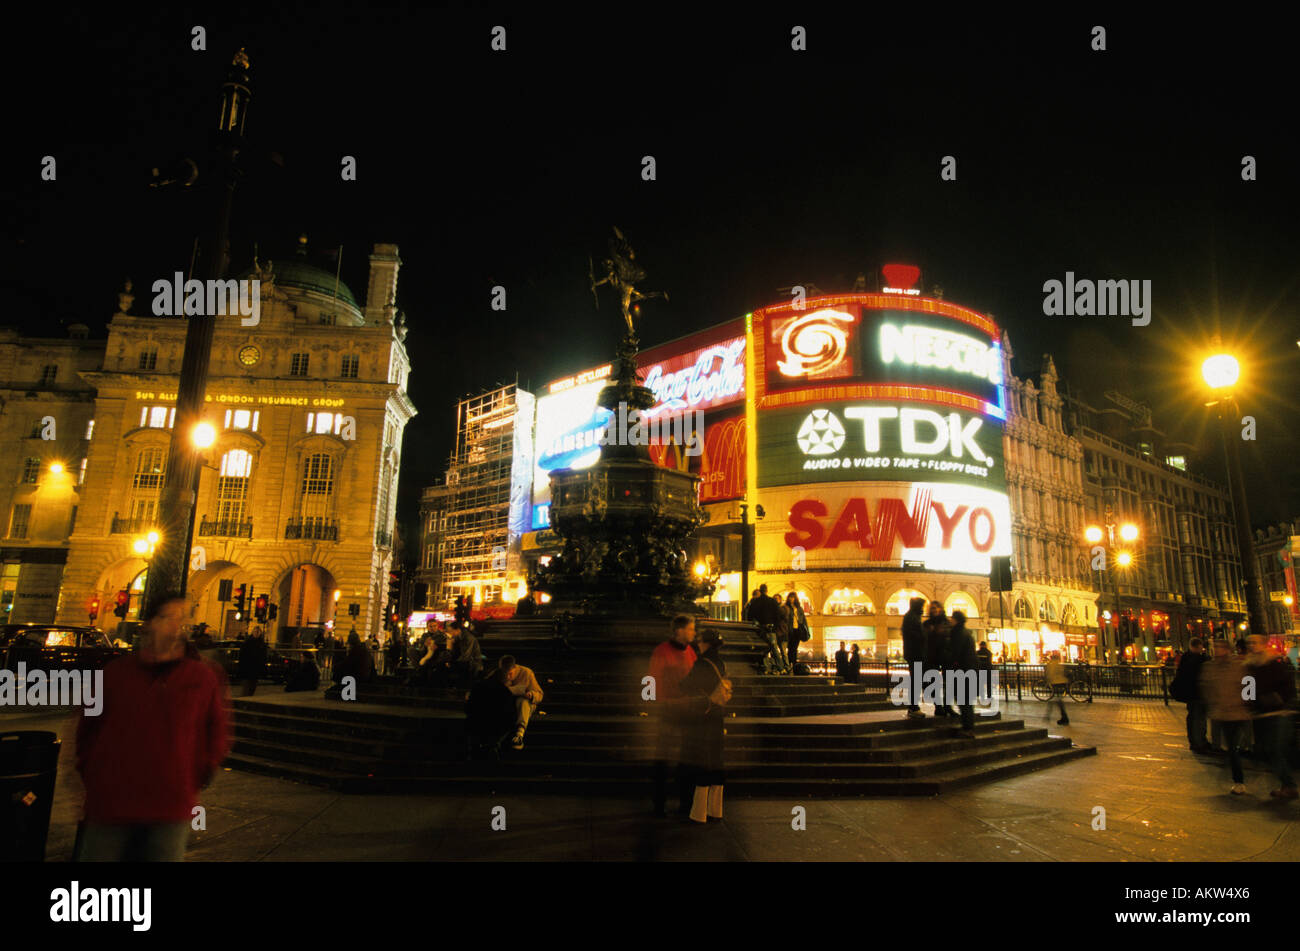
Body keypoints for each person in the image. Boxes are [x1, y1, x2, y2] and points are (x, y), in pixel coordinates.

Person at [75, 592, 230, 861]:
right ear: (148, 623)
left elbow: (217, 731)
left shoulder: (203, 677)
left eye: (183, 618)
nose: (177, 624)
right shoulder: (115, 673)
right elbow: (86, 731)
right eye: (168, 617)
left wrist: (197, 772)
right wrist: (94, 774)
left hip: (170, 803)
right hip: (111, 801)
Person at [647, 615, 698, 817]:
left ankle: (685, 803)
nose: (694, 632)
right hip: (668, 710)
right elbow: (651, 678)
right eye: (691, 629)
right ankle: (659, 803)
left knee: (685, 759)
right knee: (663, 759)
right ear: (679, 631)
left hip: (687, 711)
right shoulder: (661, 652)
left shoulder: (691, 652)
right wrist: (653, 703)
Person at [678, 628, 727, 823]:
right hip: (717, 715)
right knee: (716, 760)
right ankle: (715, 810)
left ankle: (698, 813)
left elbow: (686, 685)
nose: (698, 643)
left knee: (702, 760)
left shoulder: (702, 664)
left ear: (706, 644)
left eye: (700, 641)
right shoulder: (720, 663)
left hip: (702, 716)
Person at [1244, 635, 1297, 798]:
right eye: (1249, 643)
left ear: (1263, 645)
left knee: (1276, 749)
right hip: (1262, 714)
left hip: (1280, 713)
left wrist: (1283, 701)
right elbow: (1247, 691)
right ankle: (1287, 784)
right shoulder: (1249, 666)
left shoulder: (1275, 663)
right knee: (1268, 750)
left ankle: (1288, 785)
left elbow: (1288, 685)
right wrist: (1251, 704)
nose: (1252, 646)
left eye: (1255, 643)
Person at [1201, 638, 1251, 794]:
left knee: (1234, 746)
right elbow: (1206, 687)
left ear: (1228, 650)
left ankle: (1239, 779)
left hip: (1238, 711)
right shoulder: (1209, 667)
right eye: (1215, 647)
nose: (1217, 650)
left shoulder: (1238, 666)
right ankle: (1238, 777)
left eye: (1220, 647)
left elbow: (1249, 685)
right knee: (1230, 747)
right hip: (1221, 712)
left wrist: (1246, 702)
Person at [465, 663, 518, 757]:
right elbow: (511, 715)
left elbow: (469, 707)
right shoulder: (504, 691)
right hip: (495, 728)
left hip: (477, 724)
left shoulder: (478, 686)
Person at [1169, 637, 1211, 752]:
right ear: (1198, 646)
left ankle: (1194, 741)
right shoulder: (1198, 660)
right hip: (1197, 693)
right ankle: (1199, 742)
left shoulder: (1185, 659)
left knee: (1193, 717)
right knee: (1198, 718)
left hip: (1190, 694)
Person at [500, 655, 544, 749]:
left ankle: (519, 734)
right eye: (505, 674)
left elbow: (539, 694)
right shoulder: (498, 674)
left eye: (510, 674)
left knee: (522, 701)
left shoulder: (526, 673)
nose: (508, 676)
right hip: (508, 704)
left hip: (525, 704)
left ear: (515, 668)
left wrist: (531, 694)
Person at [947, 610, 978, 738]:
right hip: (969, 670)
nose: (950, 620)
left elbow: (955, 653)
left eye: (952, 618)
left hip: (961, 670)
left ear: (956, 620)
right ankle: (968, 726)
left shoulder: (958, 633)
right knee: (966, 700)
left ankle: (967, 728)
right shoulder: (967, 633)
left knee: (963, 699)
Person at [923, 601, 955, 716]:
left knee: (950, 682)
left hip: (946, 656)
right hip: (932, 657)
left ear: (941, 609)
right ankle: (938, 706)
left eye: (936, 608)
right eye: (931, 608)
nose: (934, 610)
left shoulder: (946, 623)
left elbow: (951, 638)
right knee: (934, 683)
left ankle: (948, 706)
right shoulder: (927, 624)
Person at [901, 596, 926, 718]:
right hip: (915, 653)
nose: (923, 608)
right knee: (916, 681)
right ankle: (913, 707)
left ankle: (913, 706)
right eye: (922, 606)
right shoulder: (912, 617)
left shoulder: (912, 616)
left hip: (914, 653)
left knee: (916, 680)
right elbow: (915, 635)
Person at [449, 624, 483, 692]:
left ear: (458, 630)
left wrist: (452, 663)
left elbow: (466, 656)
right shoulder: (459, 637)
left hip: (472, 663)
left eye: (451, 631)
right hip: (466, 661)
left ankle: (459, 690)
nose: (450, 633)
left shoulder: (467, 638)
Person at [236, 626, 268, 696]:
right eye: (255, 632)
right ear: (252, 632)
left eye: (258, 632)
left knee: (252, 688)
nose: (256, 633)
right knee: (246, 688)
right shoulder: (247, 643)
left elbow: (263, 657)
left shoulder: (262, 644)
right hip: (247, 668)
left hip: (255, 669)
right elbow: (242, 656)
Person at [784, 592, 810, 668]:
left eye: (793, 597)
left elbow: (804, 620)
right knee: (790, 648)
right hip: (790, 630)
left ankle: (794, 663)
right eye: (790, 597)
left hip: (797, 630)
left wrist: (807, 630)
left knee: (795, 648)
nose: (791, 599)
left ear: (795, 599)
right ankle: (789, 663)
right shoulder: (786, 607)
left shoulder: (799, 608)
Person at [1044, 651, 1069, 725]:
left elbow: (1050, 675)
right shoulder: (1059, 665)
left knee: (1056, 700)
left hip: (1055, 683)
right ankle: (1062, 716)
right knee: (1057, 699)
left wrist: (1048, 682)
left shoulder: (1051, 665)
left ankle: (1063, 717)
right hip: (1062, 682)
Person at [975, 640, 994, 705]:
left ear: (980, 646)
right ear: (985, 646)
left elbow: (975, 662)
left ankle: (982, 698)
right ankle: (989, 697)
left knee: (981, 685)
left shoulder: (977, 653)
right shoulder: (989, 653)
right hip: (988, 671)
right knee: (989, 685)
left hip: (980, 671)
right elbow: (989, 662)